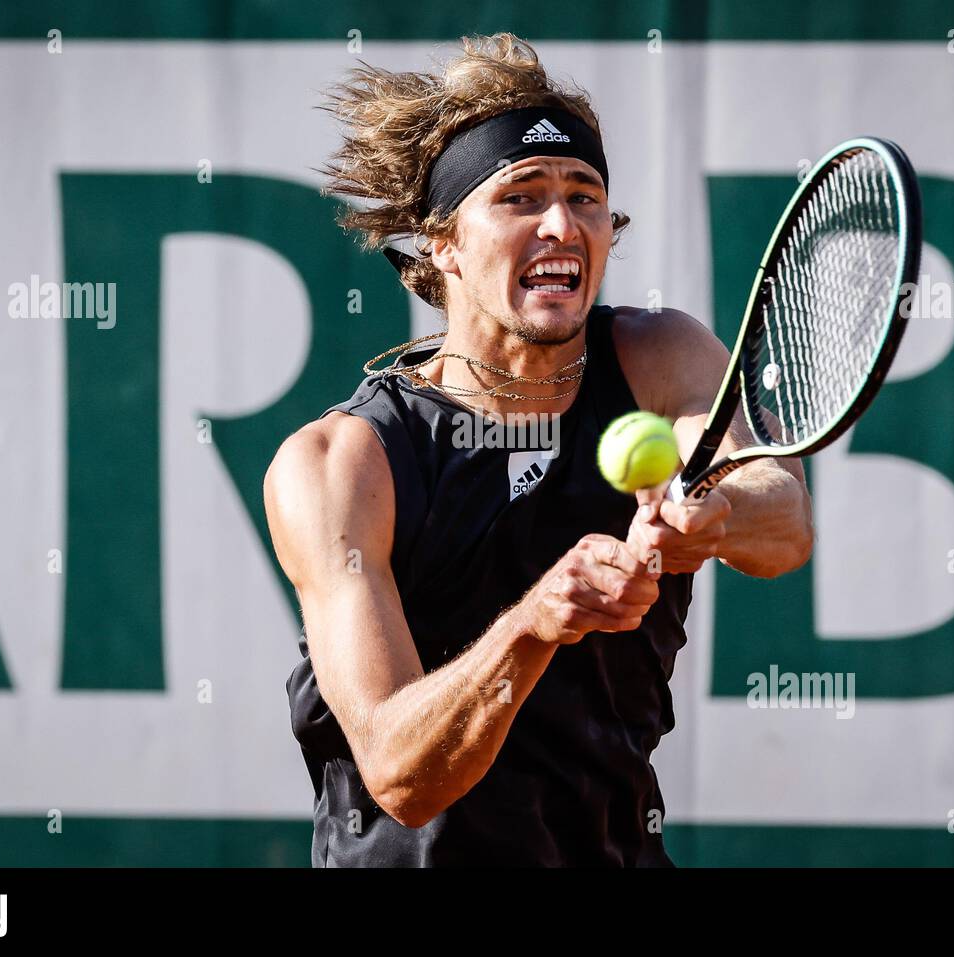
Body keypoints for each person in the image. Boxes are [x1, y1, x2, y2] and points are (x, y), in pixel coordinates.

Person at [263, 33, 813, 866]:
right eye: (521, 195)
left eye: (585, 195)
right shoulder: (342, 463)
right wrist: (535, 623)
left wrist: (715, 512)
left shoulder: (659, 359)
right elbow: (400, 774)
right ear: (442, 243)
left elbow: (785, 524)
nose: (563, 222)